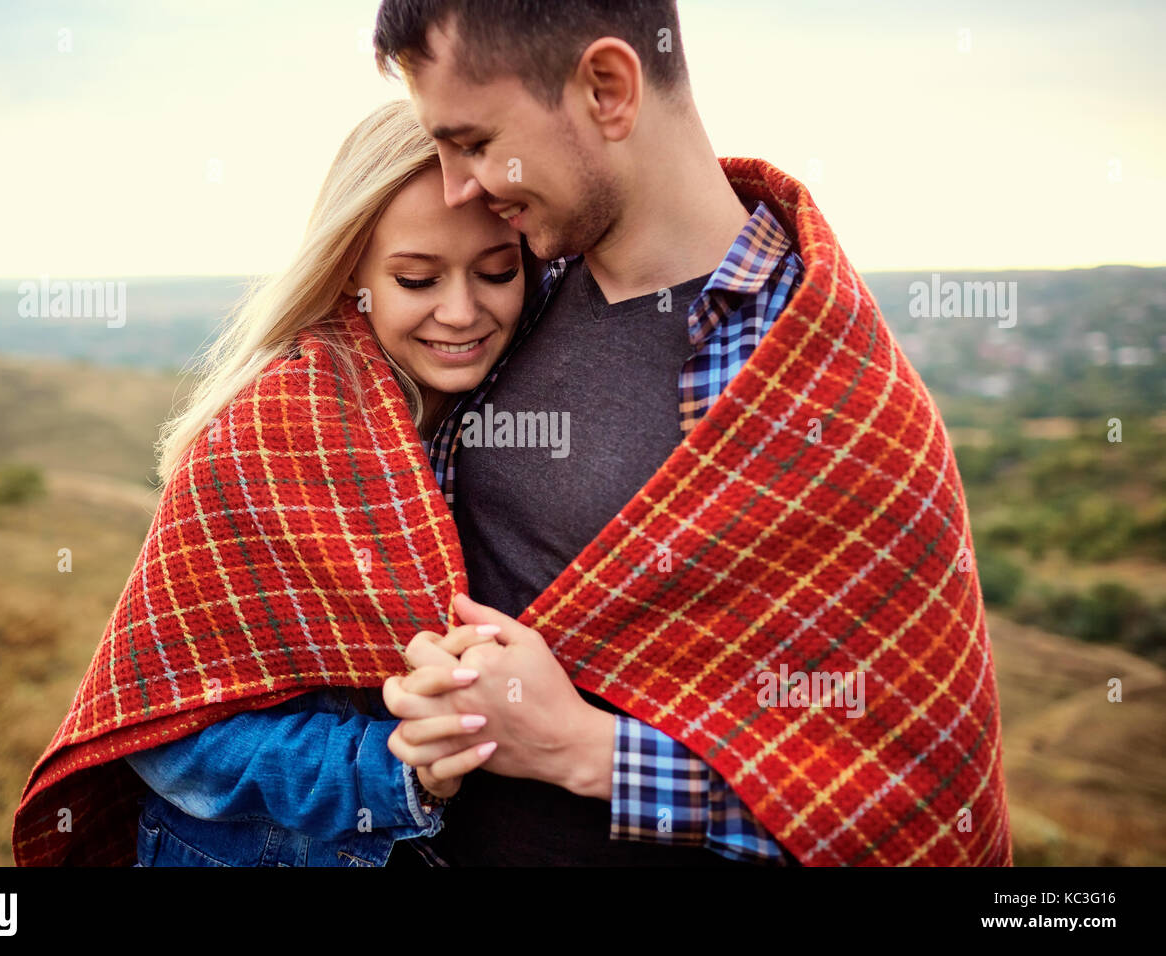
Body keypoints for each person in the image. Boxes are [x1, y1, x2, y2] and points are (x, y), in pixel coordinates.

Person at [371, 0, 1012, 867]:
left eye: (476, 144)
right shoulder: (504, 290)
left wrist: (584, 751)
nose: (457, 188)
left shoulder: (830, 392)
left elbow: (912, 815)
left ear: (607, 89)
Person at [12, 99, 536, 866]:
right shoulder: (267, 434)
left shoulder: (505, 412)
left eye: (497, 270)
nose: (461, 312)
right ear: (350, 267)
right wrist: (395, 764)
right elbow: (166, 737)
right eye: (418, 278)